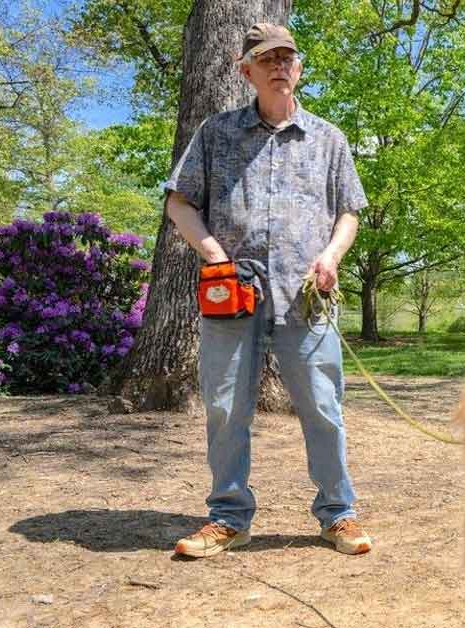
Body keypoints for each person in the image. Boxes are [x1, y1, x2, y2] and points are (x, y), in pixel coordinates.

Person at [165, 22, 371, 558]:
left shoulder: (328, 138)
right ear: (246, 71)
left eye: (287, 57)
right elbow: (179, 203)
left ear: (298, 68)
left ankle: (338, 513)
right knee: (225, 407)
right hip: (232, 295)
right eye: (266, 58)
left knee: (323, 406)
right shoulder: (215, 132)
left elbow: (349, 212)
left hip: (306, 295)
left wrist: (331, 256)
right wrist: (215, 255)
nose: (279, 65)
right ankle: (229, 517)